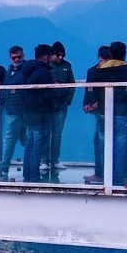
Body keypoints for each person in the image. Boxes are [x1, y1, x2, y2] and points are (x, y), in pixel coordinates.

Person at [82, 41, 127, 186]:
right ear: (124, 54)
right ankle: (121, 177)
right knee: (122, 143)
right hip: (123, 111)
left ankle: (104, 175)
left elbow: (91, 90)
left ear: (110, 54)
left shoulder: (96, 70)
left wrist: (91, 103)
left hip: (103, 112)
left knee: (103, 143)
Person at [20, 44, 57, 183]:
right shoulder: (43, 72)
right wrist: (57, 89)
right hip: (40, 111)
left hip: (27, 111)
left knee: (31, 141)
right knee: (38, 142)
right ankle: (34, 175)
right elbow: (48, 93)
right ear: (46, 56)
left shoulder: (27, 70)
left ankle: (27, 173)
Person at [0, 46, 27, 179]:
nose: (17, 59)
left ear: (23, 56)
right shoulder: (8, 72)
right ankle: (35, 163)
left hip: (20, 111)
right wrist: (3, 102)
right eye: (14, 57)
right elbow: (5, 89)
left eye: (19, 57)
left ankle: (3, 168)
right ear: (10, 58)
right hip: (10, 110)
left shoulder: (26, 70)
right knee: (26, 140)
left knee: (9, 139)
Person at [46, 41, 75, 171]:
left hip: (61, 105)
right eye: (58, 55)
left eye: (62, 55)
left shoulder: (67, 66)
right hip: (48, 105)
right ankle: (44, 161)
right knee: (45, 133)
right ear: (52, 54)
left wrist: (68, 100)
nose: (60, 58)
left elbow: (72, 85)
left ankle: (55, 160)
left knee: (57, 134)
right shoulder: (46, 66)